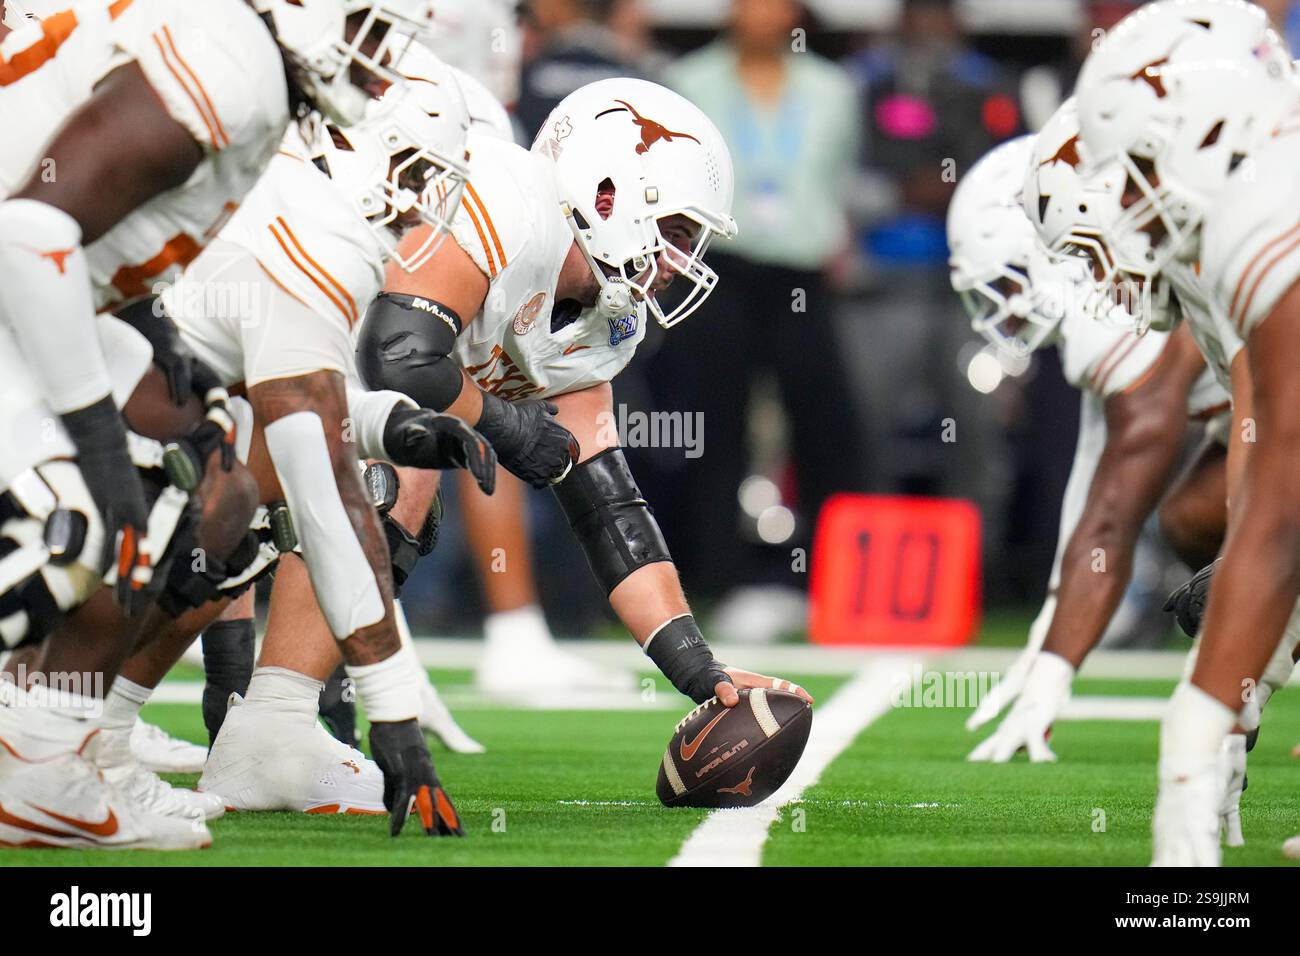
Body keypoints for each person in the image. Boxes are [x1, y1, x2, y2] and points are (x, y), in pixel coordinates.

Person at [1071, 0, 1300, 865]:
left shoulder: (1260, 211)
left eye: (1135, 171)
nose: (1128, 205)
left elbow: (1280, 508)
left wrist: (1201, 727)